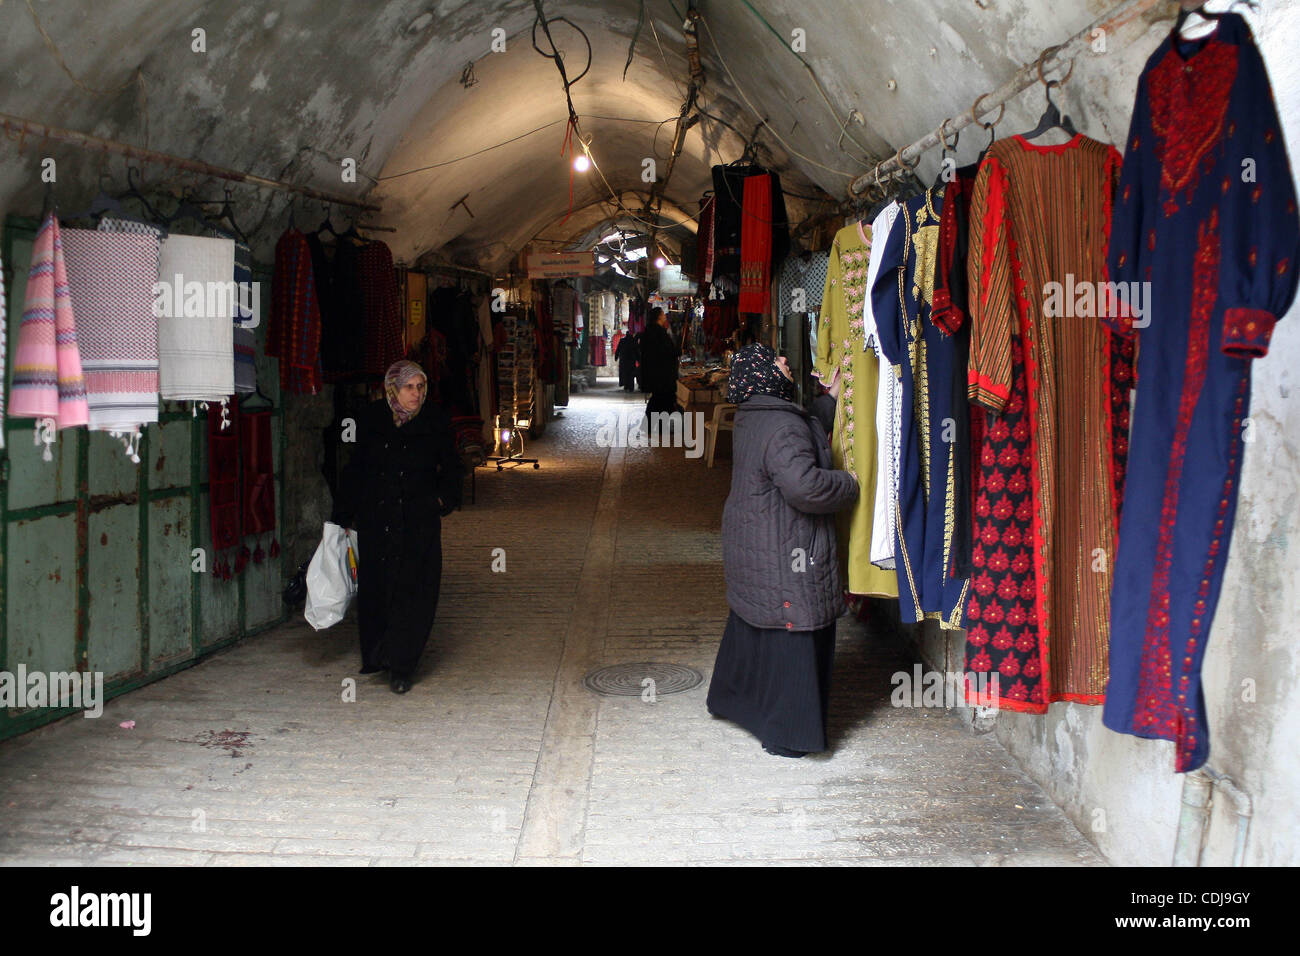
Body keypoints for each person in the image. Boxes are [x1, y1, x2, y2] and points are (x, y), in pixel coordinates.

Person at [707, 344, 857, 756]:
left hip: (756, 539)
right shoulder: (780, 425)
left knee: (758, 617)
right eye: (777, 360)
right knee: (793, 622)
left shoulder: (757, 416)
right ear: (764, 373)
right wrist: (852, 483)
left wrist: (829, 401)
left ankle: (734, 701)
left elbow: (797, 435)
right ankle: (789, 734)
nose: (786, 362)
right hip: (784, 543)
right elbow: (805, 486)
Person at [333, 360, 463, 693]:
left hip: (418, 523)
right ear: (393, 388)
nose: (416, 394)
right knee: (378, 589)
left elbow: (451, 466)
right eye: (409, 387)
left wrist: (440, 501)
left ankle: (403, 665)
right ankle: (378, 654)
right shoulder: (372, 420)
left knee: (414, 592)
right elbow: (356, 469)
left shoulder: (435, 421)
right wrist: (345, 514)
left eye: (420, 387)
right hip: (379, 521)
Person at [638, 307, 679, 416]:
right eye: (663, 314)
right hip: (660, 374)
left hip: (654, 373)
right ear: (659, 316)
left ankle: (655, 424)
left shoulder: (650, 330)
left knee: (659, 399)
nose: (665, 315)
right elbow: (665, 351)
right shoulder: (658, 332)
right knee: (661, 399)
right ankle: (656, 424)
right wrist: (677, 351)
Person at [613, 325, 639, 393]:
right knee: (631, 374)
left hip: (624, 360)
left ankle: (626, 386)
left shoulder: (622, 340)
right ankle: (631, 387)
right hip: (631, 360)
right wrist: (639, 359)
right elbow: (636, 351)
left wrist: (616, 357)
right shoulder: (633, 341)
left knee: (625, 373)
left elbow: (618, 350)